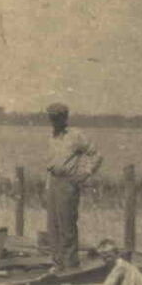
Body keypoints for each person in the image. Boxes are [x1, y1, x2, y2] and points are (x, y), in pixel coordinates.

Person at [44, 102, 102, 270]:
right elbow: (52, 164)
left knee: (67, 225)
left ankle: (70, 265)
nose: (54, 122)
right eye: (51, 119)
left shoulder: (76, 136)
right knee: (53, 226)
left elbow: (96, 155)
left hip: (68, 182)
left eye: (57, 118)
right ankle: (57, 265)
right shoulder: (52, 137)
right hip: (53, 182)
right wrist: (48, 187)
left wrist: (86, 173)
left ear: (65, 118)